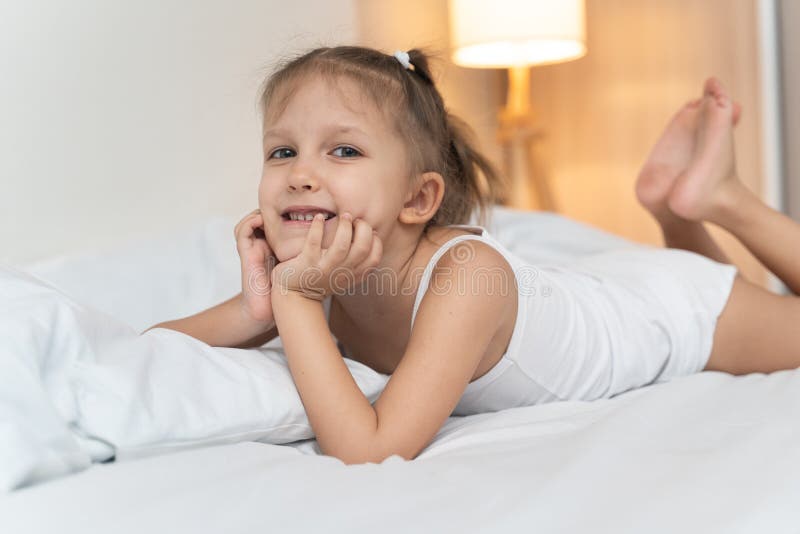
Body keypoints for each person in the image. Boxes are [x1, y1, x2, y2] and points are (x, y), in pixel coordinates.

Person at [146, 46, 800, 465]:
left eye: (342, 151)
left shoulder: (466, 279)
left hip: (671, 312)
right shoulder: (321, 281)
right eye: (282, 151)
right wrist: (259, 301)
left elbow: (372, 448)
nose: (300, 173)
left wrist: (294, 305)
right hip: (596, 289)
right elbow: (147, 354)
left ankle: (722, 199)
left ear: (418, 198)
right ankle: (682, 209)